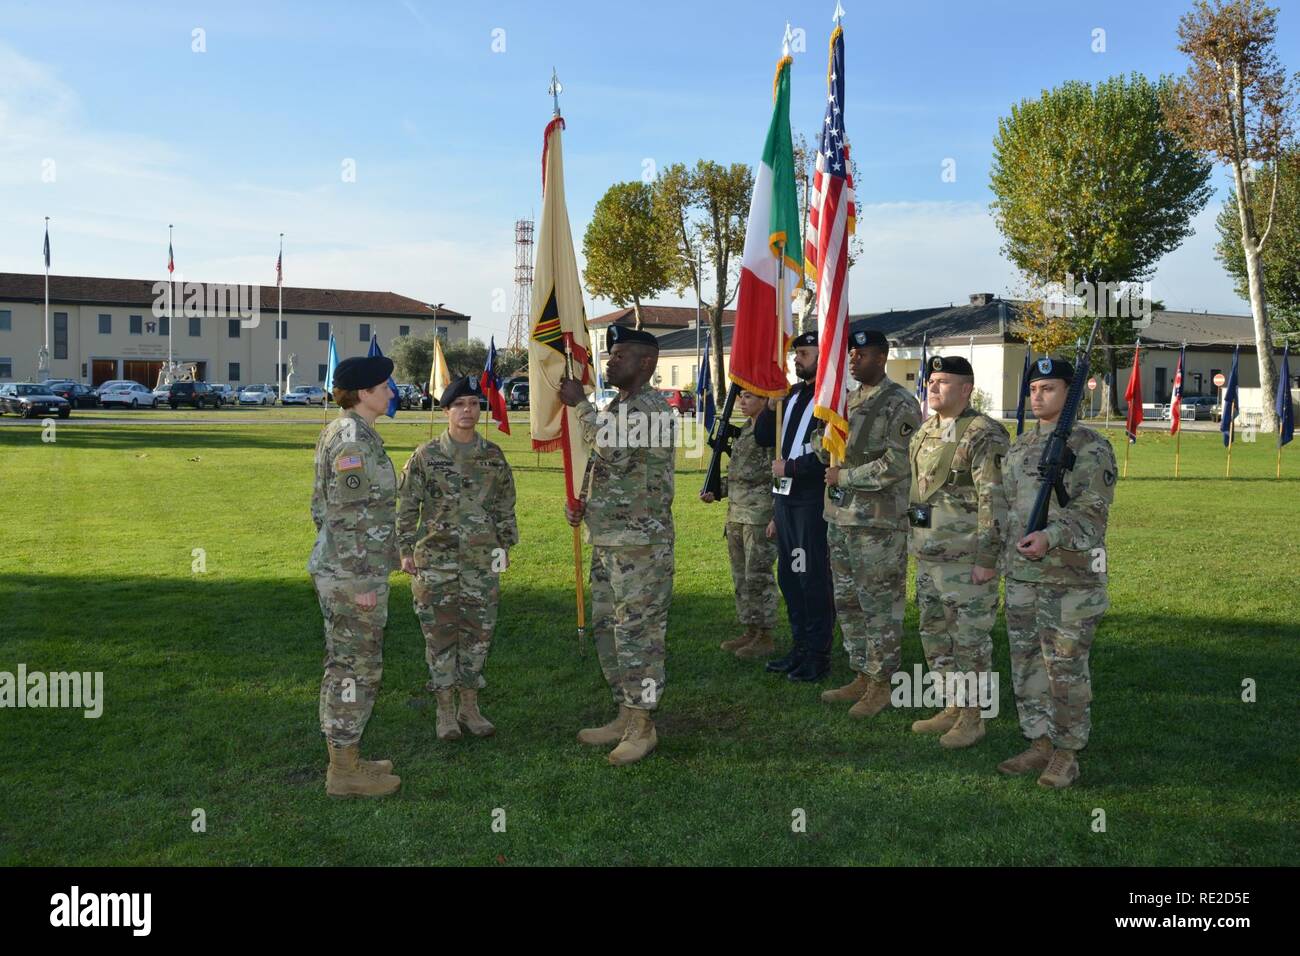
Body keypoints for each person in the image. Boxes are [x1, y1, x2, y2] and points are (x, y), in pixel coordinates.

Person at [560, 324, 675, 766]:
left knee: (639, 635)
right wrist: (584, 505)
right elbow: (606, 470)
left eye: (619, 355)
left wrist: (581, 405)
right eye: (610, 355)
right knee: (609, 629)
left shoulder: (651, 409)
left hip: (640, 547)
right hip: (609, 539)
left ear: (646, 363)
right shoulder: (619, 404)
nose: (609, 361)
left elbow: (612, 449)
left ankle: (643, 725)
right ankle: (625, 712)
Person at [1000, 357, 1116, 789]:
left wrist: (1051, 535)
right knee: (1026, 664)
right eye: (1033, 389)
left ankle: (1067, 753)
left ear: (1071, 395)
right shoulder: (1019, 446)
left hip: (1070, 581)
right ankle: (1038, 740)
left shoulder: (1091, 446)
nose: (1037, 396)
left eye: (1048, 388)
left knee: (1064, 668)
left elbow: (1092, 512)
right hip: (1022, 577)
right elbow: (1006, 510)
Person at [398, 375, 518, 741]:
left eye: (474, 404)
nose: (468, 411)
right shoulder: (427, 456)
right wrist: (404, 549)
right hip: (436, 561)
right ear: (446, 411)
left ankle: (470, 707)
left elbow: (504, 505)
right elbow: (407, 505)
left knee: (478, 635)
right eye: (460, 405)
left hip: (482, 562)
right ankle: (445, 711)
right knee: (439, 637)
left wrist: (505, 546)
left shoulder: (493, 456)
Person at [308, 355, 402, 798]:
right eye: (384, 386)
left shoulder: (350, 432)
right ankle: (343, 771)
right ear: (364, 394)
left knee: (351, 665)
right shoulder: (352, 441)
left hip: (347, 568)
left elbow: (322, 510)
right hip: (352, 575)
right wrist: (363, 579)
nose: (390, 392)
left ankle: (347, 757)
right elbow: (347, 517)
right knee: (354, 669)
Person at [816, 326, 921, 716]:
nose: (855, 361)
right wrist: (822, 442)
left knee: (879, 603)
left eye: (863, 356)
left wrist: (844, 477)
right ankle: (860, 671)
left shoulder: (900, 403)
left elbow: (897, 464)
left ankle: (882, 681)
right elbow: (825, 446)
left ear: (883, 357)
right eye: (852, 356)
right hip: (841, 518)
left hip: (877, 523)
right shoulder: (846, 401)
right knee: (848, 601)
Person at [906, 354, 1009, 748]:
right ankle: (951, 704)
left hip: (966, 558)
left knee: (969, 640)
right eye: (932, 381)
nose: (933, 387)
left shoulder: (984, 433)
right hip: (929, 555)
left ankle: (974, 717)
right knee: (934, 633)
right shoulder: (926, 429)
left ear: (965, 389)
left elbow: (993, 499)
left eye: (943, 382)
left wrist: (987, 558)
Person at [754, 330, 836, 682]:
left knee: (811, 579)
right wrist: (770, 408)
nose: (796, 359)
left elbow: (832, 455)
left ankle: (818, 654)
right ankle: (799, 646)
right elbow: (763, 440)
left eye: (804, 352)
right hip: (785, 501)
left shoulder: (831, 399)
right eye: (796, 353)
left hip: (810, 502)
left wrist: (792, 469)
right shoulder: (790, 395)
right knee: (789, 577)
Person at [700, 388, 778, 659]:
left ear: (765, 400)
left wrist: (776, 516)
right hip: (736, 514)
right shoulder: (746, 429)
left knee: (758, 576)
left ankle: (765, 635)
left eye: (749, 397)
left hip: (759, 515)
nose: (742, 402)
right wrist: (716, 490)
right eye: (741, 396)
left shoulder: (770, 433)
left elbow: (777, 477)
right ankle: (750, 628)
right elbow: (739, 476)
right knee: (740, 576)